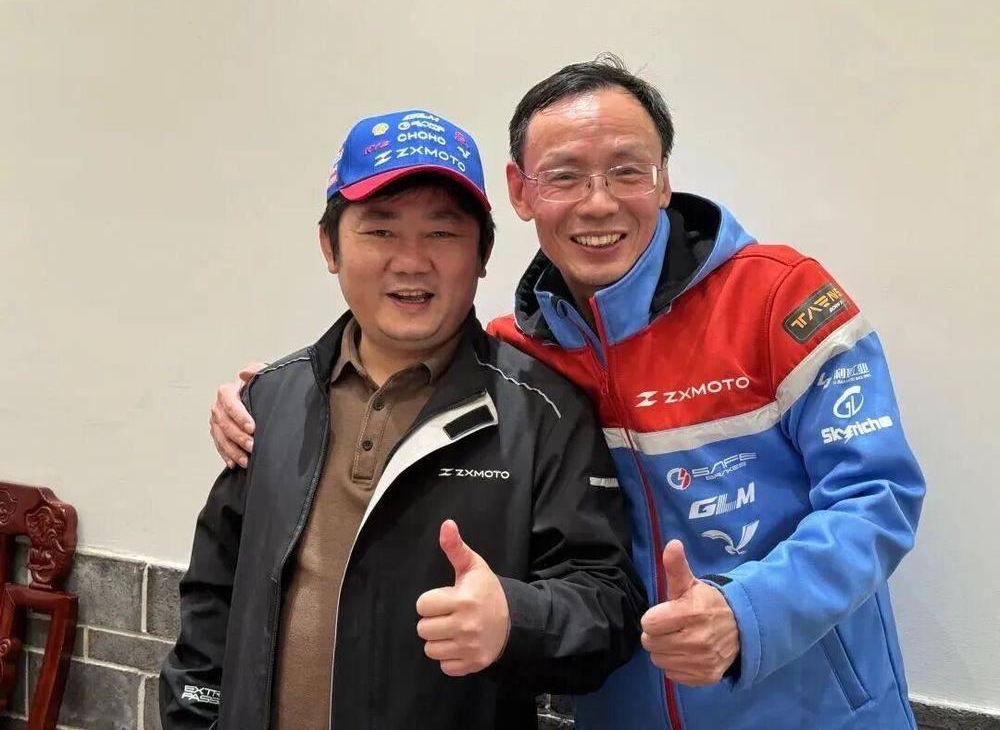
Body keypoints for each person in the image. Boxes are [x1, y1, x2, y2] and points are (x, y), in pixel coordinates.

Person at [210, 57, 926, 730]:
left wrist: (747, 614)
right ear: (522, 192)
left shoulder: (779, 298)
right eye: (564, 176)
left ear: (664, 179)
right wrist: (273, 394)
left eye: (627, 171)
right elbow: (390, 356)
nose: (598, 203)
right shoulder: (523, 358)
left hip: (814, 708)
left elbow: (879, 496)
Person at [161, 108, 646, 730]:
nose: (411, 261)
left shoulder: (544, 414)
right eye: (380, 230)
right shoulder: (269, 402)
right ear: (330, 247)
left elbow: (608, 604)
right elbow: (214, 597)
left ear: (483, 253)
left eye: (442, 233)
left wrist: (515, 619)